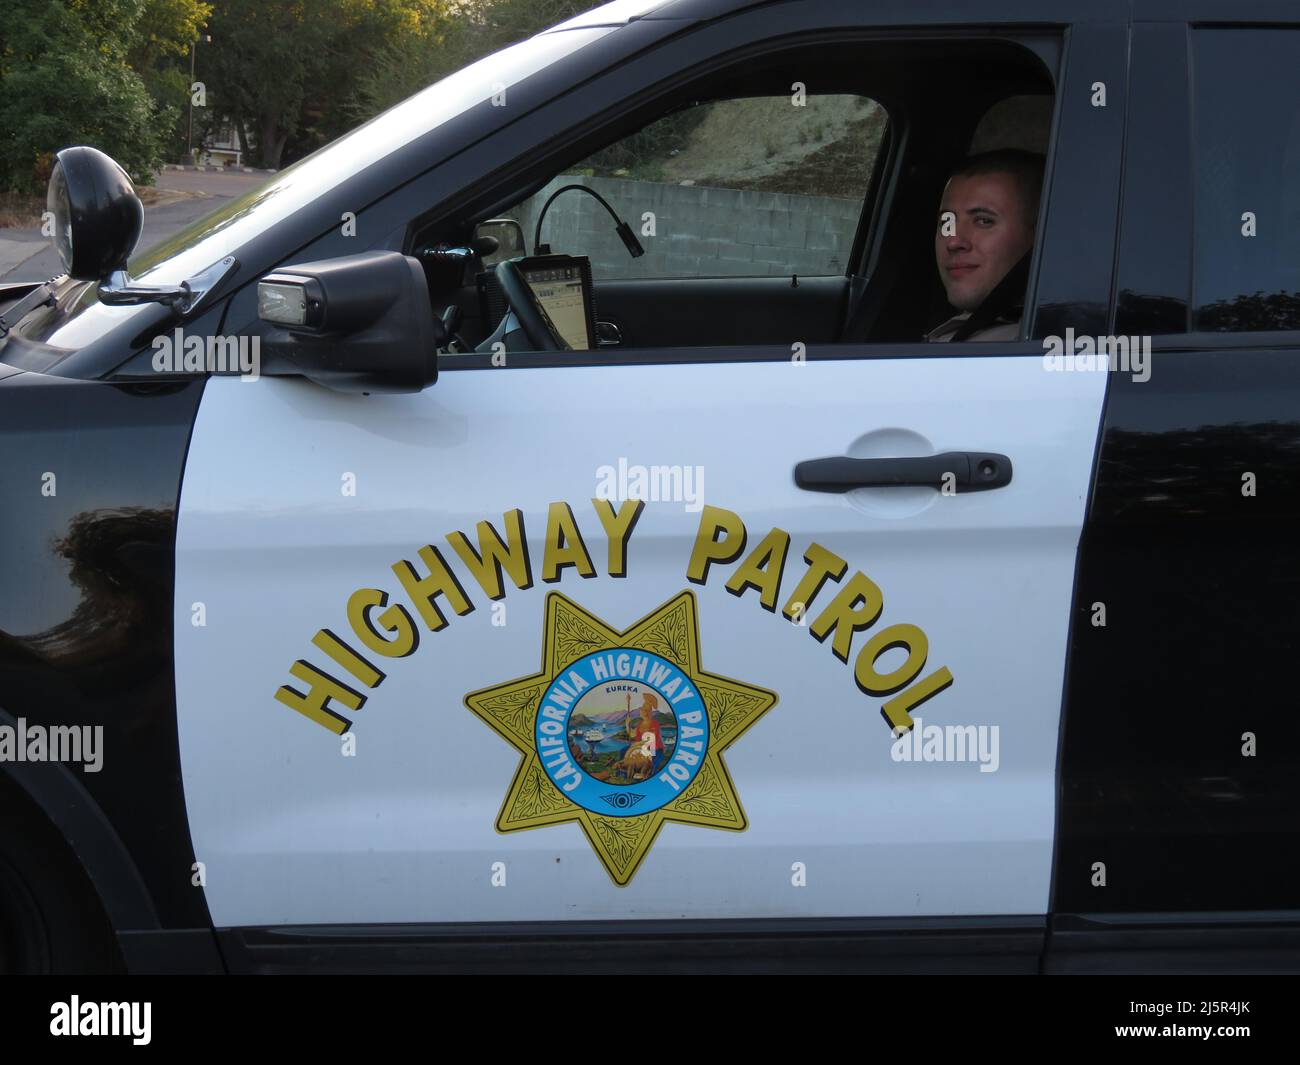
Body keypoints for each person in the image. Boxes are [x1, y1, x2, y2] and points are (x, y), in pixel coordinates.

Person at [926, 149, 1044, 342]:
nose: (953, 241)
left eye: (983, 221)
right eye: (947, 222)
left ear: (1039, 237)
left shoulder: (1038, 347)